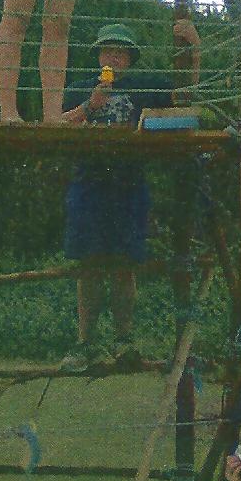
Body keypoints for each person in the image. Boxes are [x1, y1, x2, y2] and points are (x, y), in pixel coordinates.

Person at [59, 19, 200, 373]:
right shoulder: (78, 87)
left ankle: (124, 341)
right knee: (88, 266)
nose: (114, 58)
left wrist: (193, 51)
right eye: (108, 51)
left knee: (124, 267)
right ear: (98, 55)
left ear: (131, 59)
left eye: (121, 53)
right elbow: (55, 125)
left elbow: (185, 96)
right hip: (88, 183)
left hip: (129, 184)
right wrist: (90, 106)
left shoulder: (146, 86)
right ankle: (85, 343)